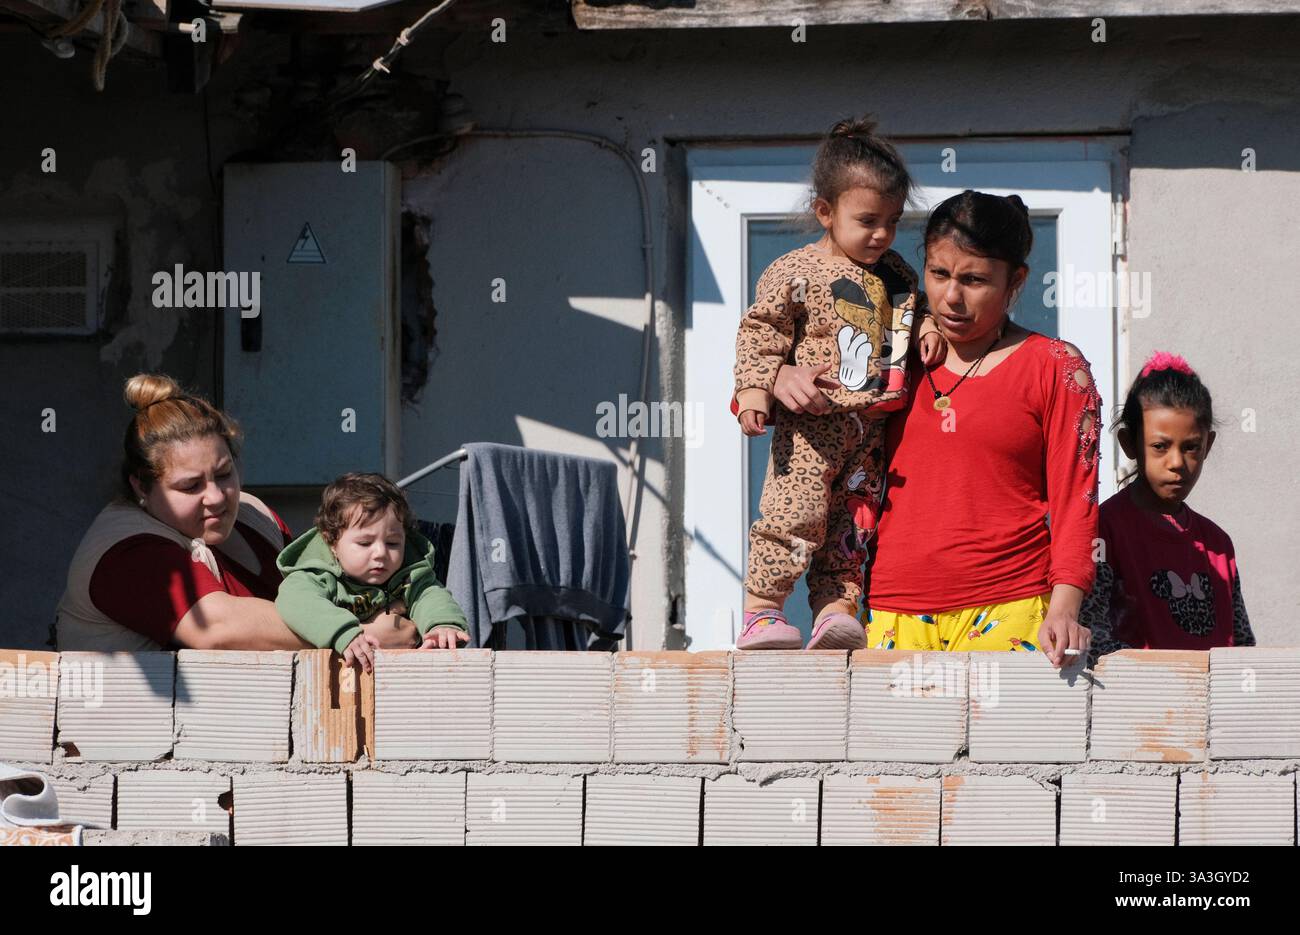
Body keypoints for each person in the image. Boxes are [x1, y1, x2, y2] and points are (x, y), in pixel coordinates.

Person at [775, 190, 1101, 667]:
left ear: (1016, 280)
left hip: (1013, 608)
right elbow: (758, 402)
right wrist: (779, 376)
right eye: (939, 273)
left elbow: (1077, 501)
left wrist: (1066, 607)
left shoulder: (1055, 367)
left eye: (974, 280)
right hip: (892, 610)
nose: (951, 297)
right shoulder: (886, 352)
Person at [730, 115, 945, 651]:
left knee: (853, 524)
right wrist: (761, 385)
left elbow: (911, 312)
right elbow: (760, 332)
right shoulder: (793, 271)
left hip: (869, 430)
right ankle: (762, 611)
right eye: (868, 220)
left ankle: (836, 611)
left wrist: (927, 327)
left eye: (892, 221)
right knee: (794, 515)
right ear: (825, 212)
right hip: (812, 426)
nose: (882, 234)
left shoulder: (896, 272)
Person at [54, 374, 419, 652]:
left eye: (224, 473)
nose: (216, 497)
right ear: (141, 486)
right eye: (190, 486)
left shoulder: (254, 516)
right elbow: (215, 628)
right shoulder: (126, 551)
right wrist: (360, 632)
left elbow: (334, 585)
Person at [1080, 352, 1254, 662]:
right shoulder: (1104, 531)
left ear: (1208, 445)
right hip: (1137, 692)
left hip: (1211, 694)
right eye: (1160, 446)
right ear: (1129, 443)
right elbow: (1091, 634)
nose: (1176, 463)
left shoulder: (1218, 544)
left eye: (1191, 447)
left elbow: (1241, 649)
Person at [276, 473, 469, 673]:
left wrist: (442, 625)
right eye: (365, 543)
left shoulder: (410, 574)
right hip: (331, 675)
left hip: (403, 675)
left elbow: (430, 596)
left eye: (392, 543)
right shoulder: (315, 575)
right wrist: (343, 632)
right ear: (332, 541)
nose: (381, 553)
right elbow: (296, 601)